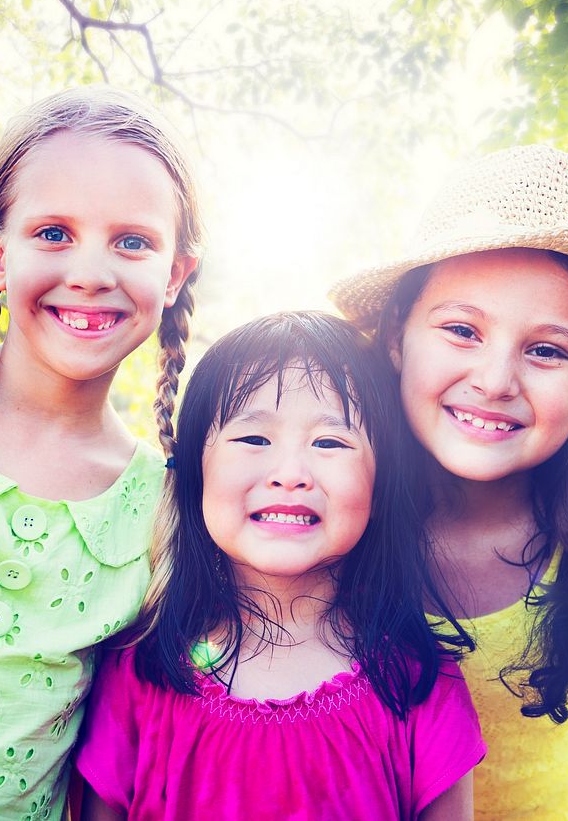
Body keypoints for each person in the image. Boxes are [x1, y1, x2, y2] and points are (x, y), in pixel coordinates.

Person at [331, 144, 568, 819]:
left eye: (547, 350)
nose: (496, 381)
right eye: (463, 330)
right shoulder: (321, 524)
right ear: (395, 340)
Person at [0, 87, 200, 817]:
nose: (92, 272)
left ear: (174, 275)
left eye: (132, 241)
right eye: (54, 234)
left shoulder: (158, 505)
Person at [76, 312, 486, 819]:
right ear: (194, 475)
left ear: (383, 486)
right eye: (253, 439)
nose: (290, 474)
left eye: (330, 443)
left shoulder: (421, 684)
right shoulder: (139, 671)